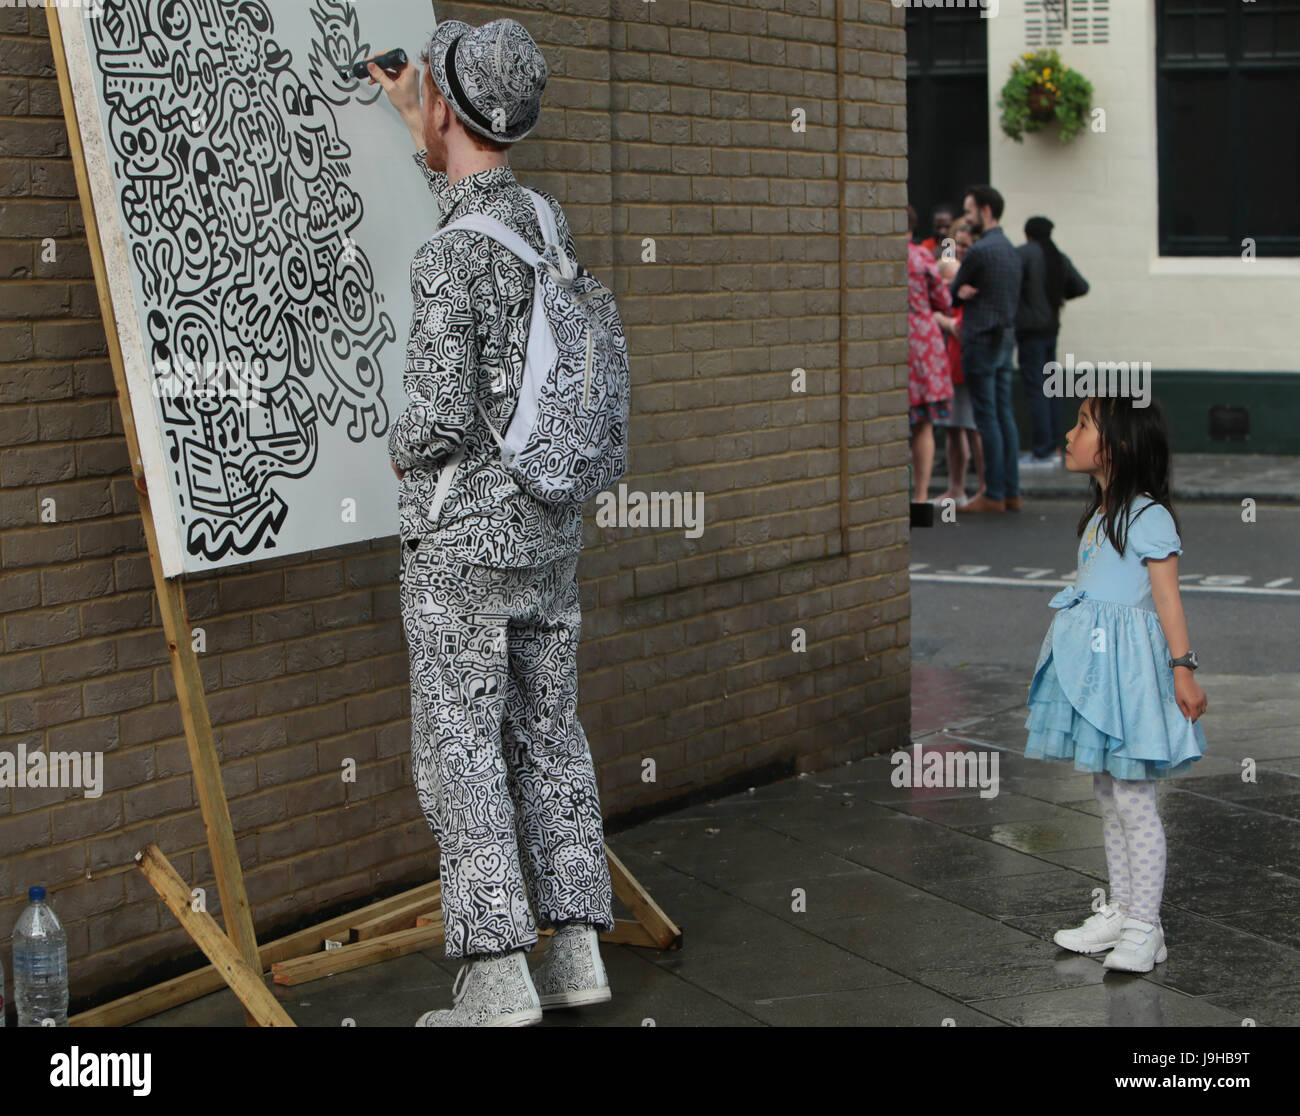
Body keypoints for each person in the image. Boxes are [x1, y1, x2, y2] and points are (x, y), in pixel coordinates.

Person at [369, 18, 614, 1027]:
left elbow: (427, 419)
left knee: (460, 746)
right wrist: (417, 122)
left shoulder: (447, 260)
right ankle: (578, 954)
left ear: (448, 108)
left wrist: (395, 444)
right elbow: (483, 224)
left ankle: (496, 974)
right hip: (549, 535)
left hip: (461, 549)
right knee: (550, 730)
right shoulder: (543, 225)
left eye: (428, 93)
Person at [1023, 394, 1208, 973]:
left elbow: (1166, 598)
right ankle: (1121, 908)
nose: (1070, 434)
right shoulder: (1101, 515)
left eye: (1083, 426)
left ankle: (1146, 927)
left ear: (1119, 446)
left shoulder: (1148, 517)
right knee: (1108, 796)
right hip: (1097, 675)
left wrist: (1184, 667)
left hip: (1127, 679)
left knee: (1132, 798)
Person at [947, 185, 1023, 515]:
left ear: (986, 211)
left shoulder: (979, 252)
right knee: (1005, 415)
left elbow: (952, 292)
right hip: (1005, 340)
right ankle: (1011, 491)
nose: (967, 217)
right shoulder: (1010, 250)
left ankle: (992, 492)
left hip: (980, 340)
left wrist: (960, 291)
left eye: (969, 210)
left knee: (987, 418)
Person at [1016, 216, 1089, 468]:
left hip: (1029, 333)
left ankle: (1042, 450)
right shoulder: (1059, 257)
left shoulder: (1024, 254)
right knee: (1050, 388)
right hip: (1050, 330)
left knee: (1037, 390)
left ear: (1028, 234)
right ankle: (1055, 447)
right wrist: (1058, 295)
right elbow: (1081, 286)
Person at [932, 221, 985, 506]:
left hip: (965, 364)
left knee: (975, 429)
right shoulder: (951, 274)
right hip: (947, 367)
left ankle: (984, 488)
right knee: (953, 428)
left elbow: (960, 328)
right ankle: (956, 489)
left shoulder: (974, 279)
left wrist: (942, 319)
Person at [906, 204, 954, 502]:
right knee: (923, 424)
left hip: (885, 339)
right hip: (923, 344)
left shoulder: (872, 255)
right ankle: (921, 498)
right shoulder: (921, 256)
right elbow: (943, 300)